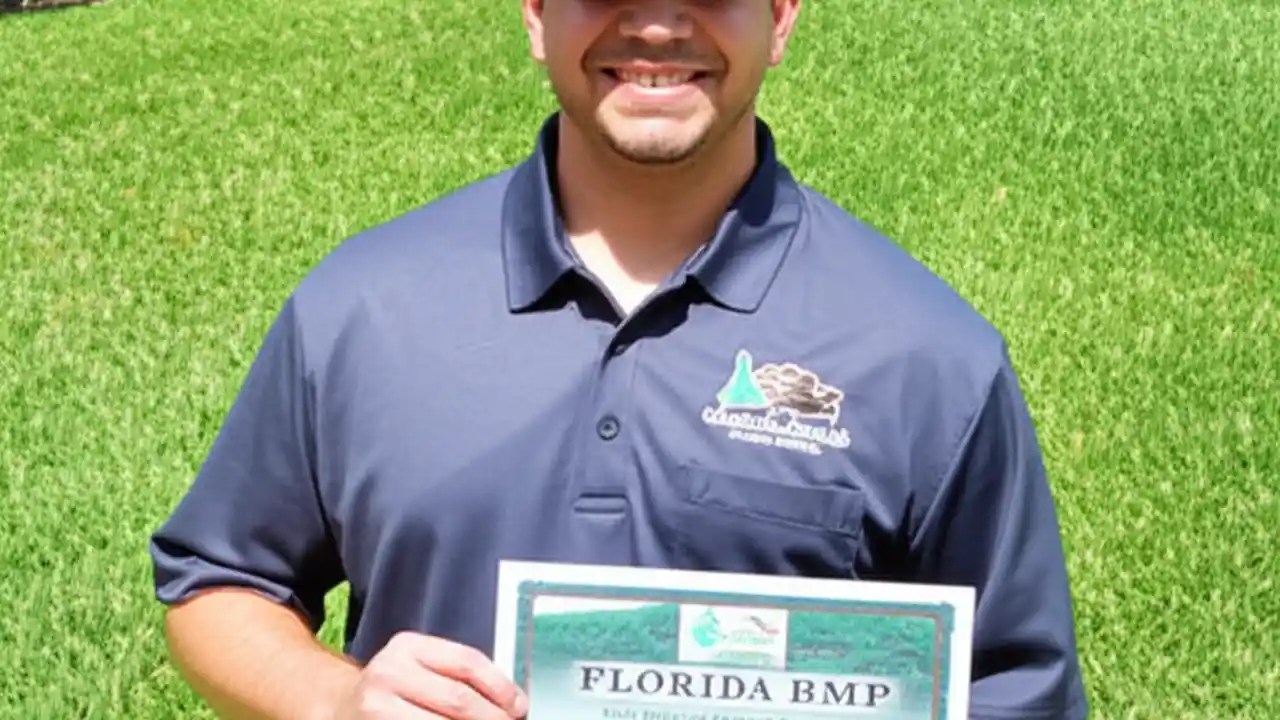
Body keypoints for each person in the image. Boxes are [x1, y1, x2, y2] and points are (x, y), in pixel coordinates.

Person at [149, 1, 1089, 718]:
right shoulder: (365, 307)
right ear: (534, 13)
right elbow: (219, 583)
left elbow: (1014, 689)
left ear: (781, 15)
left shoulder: (927, 357)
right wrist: (336, 698)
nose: (657, 24)